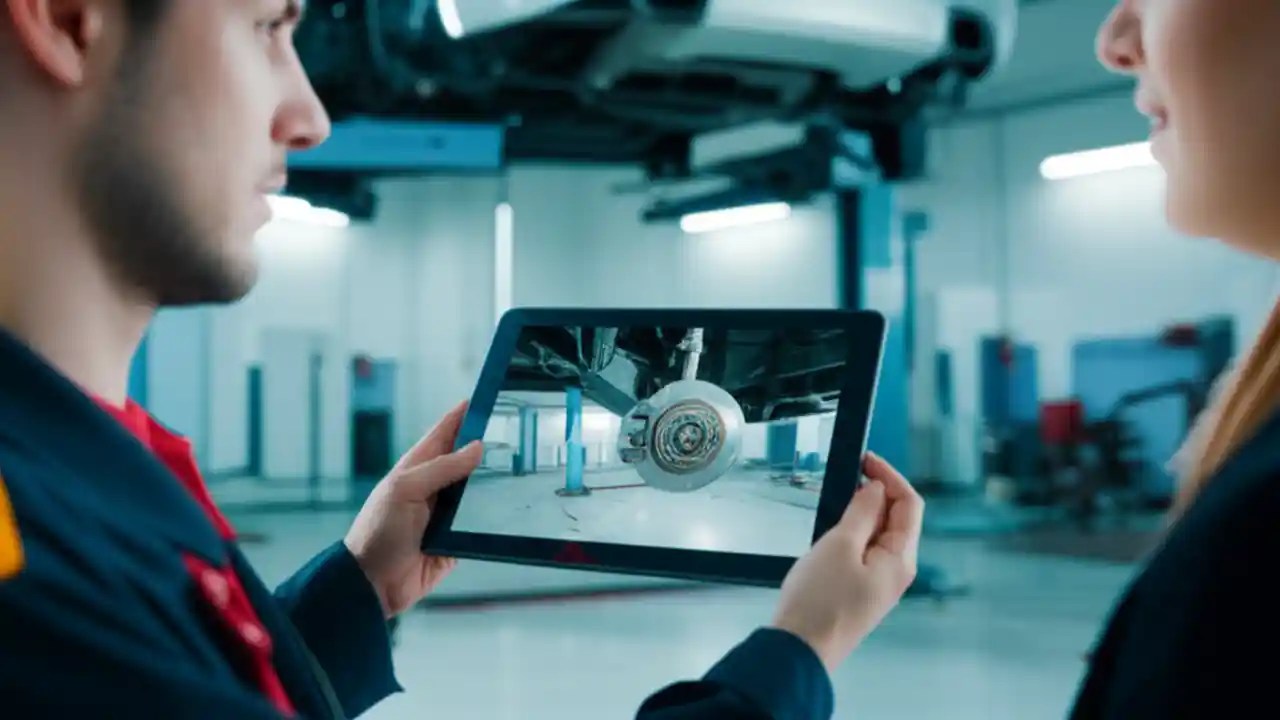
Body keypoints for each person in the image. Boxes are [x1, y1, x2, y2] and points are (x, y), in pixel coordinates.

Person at [0, 1, 921, 718]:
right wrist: (799, 652)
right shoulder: (29, 561)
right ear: (71, 19)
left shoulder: (83, 467)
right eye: (268, 26)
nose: (310, 115)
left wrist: (358, 586)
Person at [645, 0, 1280, 718]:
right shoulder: (1251, 505)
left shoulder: (1259, 530)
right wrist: (802, 640)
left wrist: (797, 645)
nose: (1112, 40)